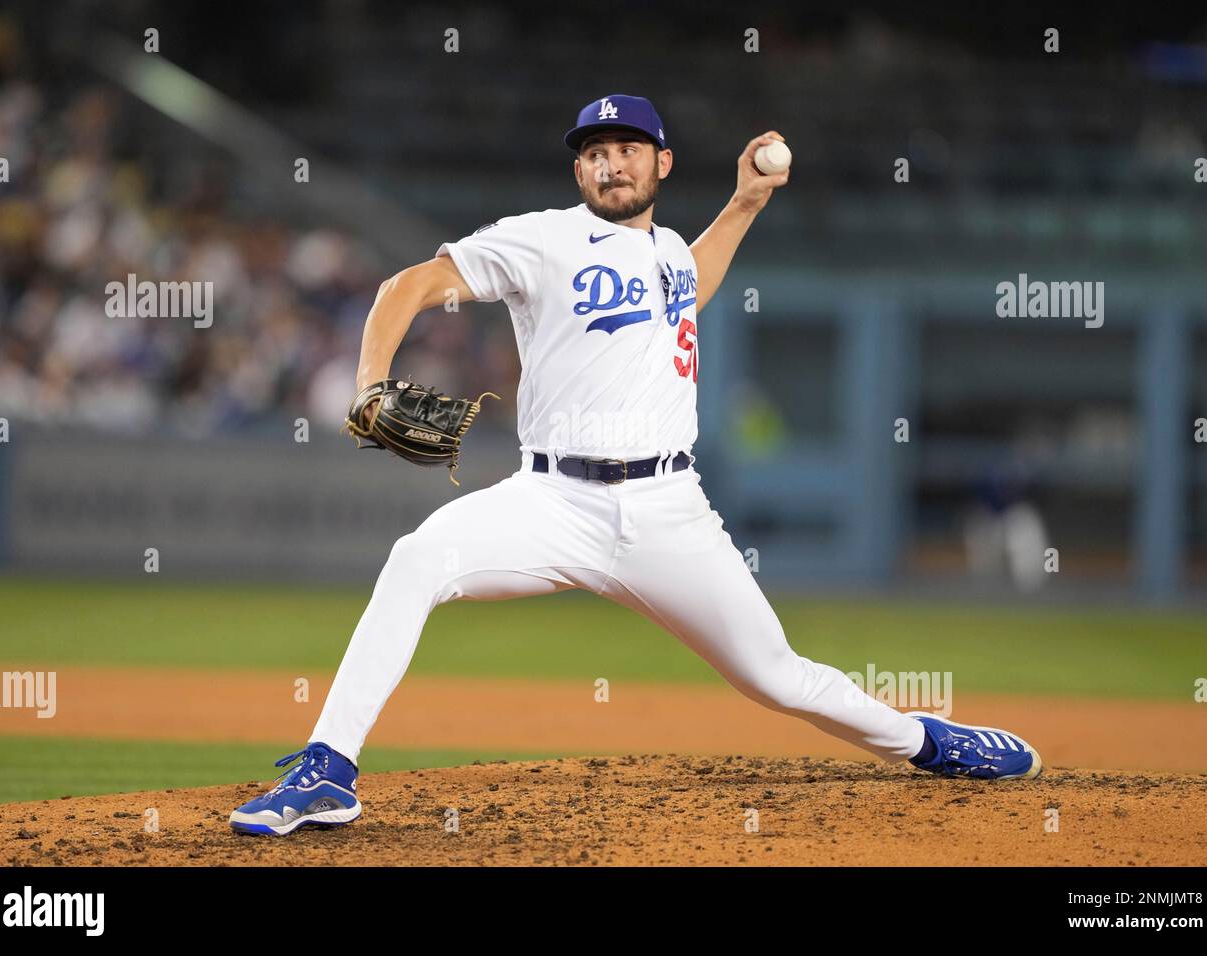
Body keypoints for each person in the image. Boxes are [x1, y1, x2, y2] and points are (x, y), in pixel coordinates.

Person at [230, 94, 1041, 837]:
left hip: (668, 511)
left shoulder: (670, 256)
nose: (609, 163)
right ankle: (328, 769)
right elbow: (409, 285)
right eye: (593, 152)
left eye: (626, 147)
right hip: (550, 498)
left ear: (662, 163)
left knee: (777, 677)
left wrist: (745, 204)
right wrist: (370, 380)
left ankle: (928, 742)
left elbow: (691, 284)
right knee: (416, 560)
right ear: (577, 170)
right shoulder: (541, 238)